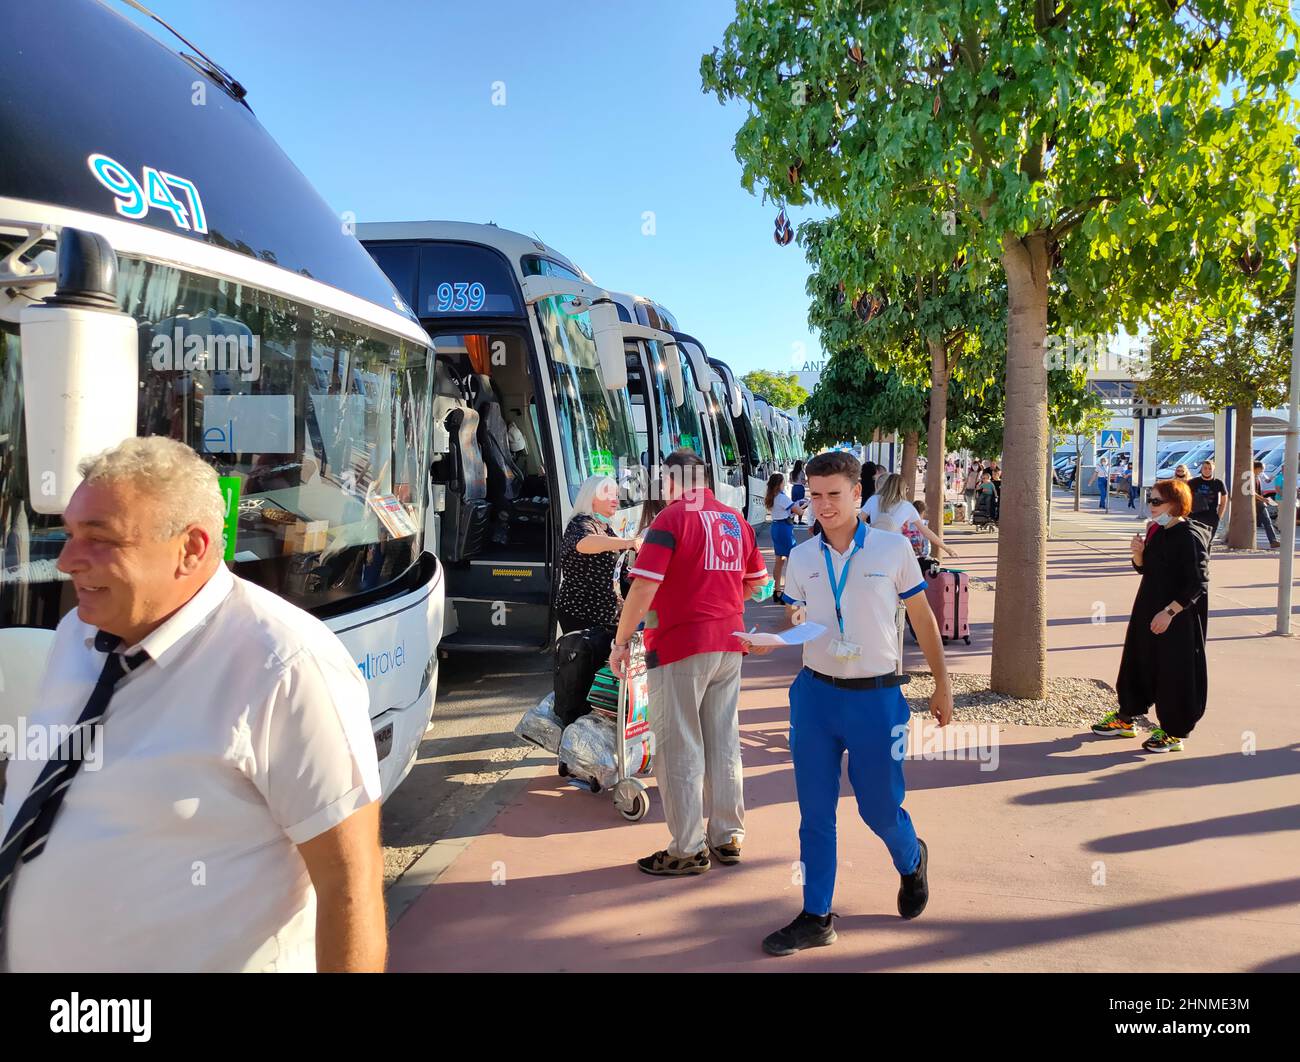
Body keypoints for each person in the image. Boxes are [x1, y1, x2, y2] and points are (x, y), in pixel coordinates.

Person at [0, 437, 386, 972]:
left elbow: (349, 881)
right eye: (69, 534)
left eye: (100, 538)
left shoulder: (285, 665)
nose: (67, 561)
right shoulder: (77, 633)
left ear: (192, 548)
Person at [741, 450, 953, 955]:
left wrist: (942, 683)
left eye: (834, 494)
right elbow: (798, 616)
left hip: (876, 699)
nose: (823, 505)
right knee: (815, 814)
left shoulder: (891, 549)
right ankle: (816, 915)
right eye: (815, 495)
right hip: (814, 697)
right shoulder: (803, 558)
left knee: (880, 809)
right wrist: (782, 632)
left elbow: (922, 618)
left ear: (858, 494)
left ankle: (911, 858)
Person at [611, 452, 770, 875]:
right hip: (729, 643)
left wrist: (620, 642)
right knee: (723, 740)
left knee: (679, 745)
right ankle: (728, 836)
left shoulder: (670, 520)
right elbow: (758, 584)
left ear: (670, 481)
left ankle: (687, 848)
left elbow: (642, 589)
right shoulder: (736, 520)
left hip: (680, 644)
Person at [1091, 478, 1210, 752]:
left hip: (1177, 618)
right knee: (1137, 662)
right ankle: (1126, 718)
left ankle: (1173, 733)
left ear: (1176, 504)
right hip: (1147, 609)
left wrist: (1169, 612)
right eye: (1150, 500)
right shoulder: (1156, 529)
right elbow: (1146, 570)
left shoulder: (1189, 536)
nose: (1151, 506)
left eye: (1157, 501)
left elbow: (1198, 583)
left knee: (1174, 672)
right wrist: (1139, 554)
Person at [555, 475, 641, 634]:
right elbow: (584, 542)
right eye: (608, 494)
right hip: (583, 613)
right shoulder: (580, 523)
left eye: (616, 495)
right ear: (592, 497)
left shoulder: (605, 526)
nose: (615, 499)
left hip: (608, 614)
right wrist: (627, 542)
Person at [860, 473, 957, 560]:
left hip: (873, 545)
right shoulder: (906, 506)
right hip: (894, 549)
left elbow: (858, 521)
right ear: (902, 489)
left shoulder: (874, 500)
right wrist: (946, 548)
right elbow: (925, 531)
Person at [766, 472, 808, 601]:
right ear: (779, 484)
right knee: (792, 559)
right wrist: (805, 505)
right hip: (784, 528)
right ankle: (790, 592)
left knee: (779, 560)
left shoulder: (772, 497)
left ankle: (777, 590)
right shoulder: (782, 497)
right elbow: (798, 511)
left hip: (776, 527)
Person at [1188, 458, 1228, 544]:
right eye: (1205, 468)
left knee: (1208, 542)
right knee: (1196, 541)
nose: (1207, 470)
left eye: (1210, 468)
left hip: (1211, 516)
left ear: (1213, 469)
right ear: (1201, 469)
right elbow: (1185, 497)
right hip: (1195, 516)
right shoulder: (1193, 482)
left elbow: (1224, 499)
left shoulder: (1218, 483)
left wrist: (1219, 516)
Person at [1253, 461, 1281, 549]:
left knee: (1267, 521)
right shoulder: (1252, 478)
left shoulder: (1257, 477)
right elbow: (1252, 492)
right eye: (1261, 469)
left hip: (1259, 502)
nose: (1262, 471)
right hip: (1258, 502)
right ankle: (1273, 541)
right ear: (1256, 468)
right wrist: (1263, 499)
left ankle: (1273, 541)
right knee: (1266, 521)